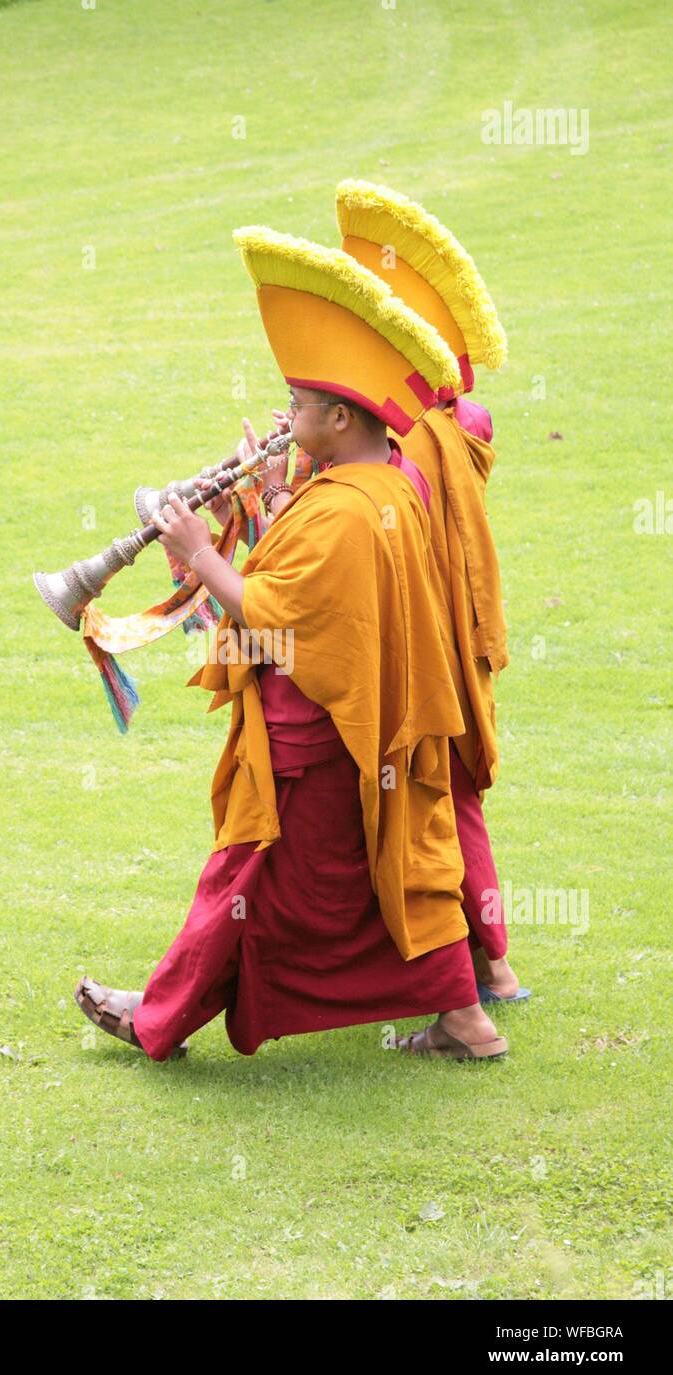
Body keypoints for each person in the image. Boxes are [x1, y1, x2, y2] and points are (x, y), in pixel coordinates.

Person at [75, 227, 509, 1062]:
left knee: (246, 881)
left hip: (315, 735)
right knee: (383, 874)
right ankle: (466, 1020)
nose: (287, 419)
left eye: (300, 408)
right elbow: (317, 587)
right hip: (350, 732)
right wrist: (274, 498)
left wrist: (201, 554)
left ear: (341, 416)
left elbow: (276, 616)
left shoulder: (351, 507)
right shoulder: (365, 487)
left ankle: (156, 1019)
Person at [334, 180, 527, 1004]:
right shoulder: (460, 423)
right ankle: (476, 966)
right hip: (456, 635)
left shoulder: (412, 442)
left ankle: (485, 969)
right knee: (452, 797)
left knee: (443, 802)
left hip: (423, 646)